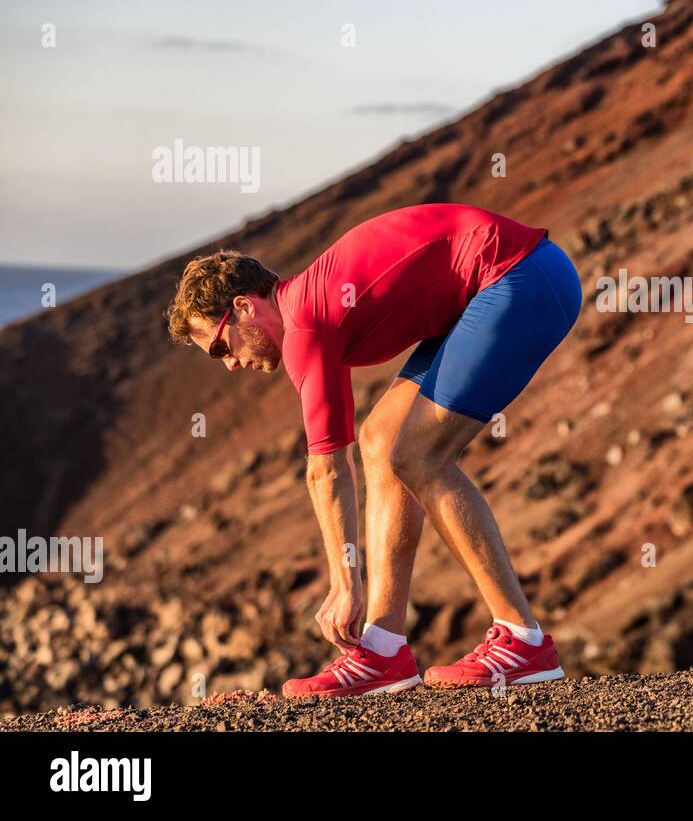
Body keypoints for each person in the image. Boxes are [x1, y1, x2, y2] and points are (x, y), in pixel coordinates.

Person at [166, 203, 582, 695]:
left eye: (219, 348)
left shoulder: (306, 328)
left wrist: (346, 585)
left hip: (523, 276)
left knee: (419, 455)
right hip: (506, 280)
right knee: (382, 439)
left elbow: (325, 470)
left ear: (243, 308)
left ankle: (521, 641)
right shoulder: (311, 310)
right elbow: (344, 453)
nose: (229, 364)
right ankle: (384, 651)